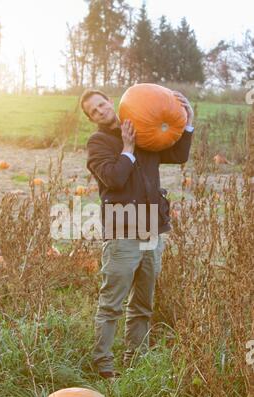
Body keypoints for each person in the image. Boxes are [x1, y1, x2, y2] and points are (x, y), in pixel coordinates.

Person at [80, 88, 194, 379]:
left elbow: (178, 154)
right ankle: (103, 363)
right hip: (122, 230)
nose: (101, 111)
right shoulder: (98, 143)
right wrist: (128, 150)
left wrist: (187, 119)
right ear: (91, 118)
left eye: (101, 104)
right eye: (93, 111)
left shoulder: (143, 130)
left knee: (143, 302)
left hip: (152, 228)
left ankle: (136, 359)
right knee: (112, 302)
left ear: (110, 101)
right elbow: (114, 179)